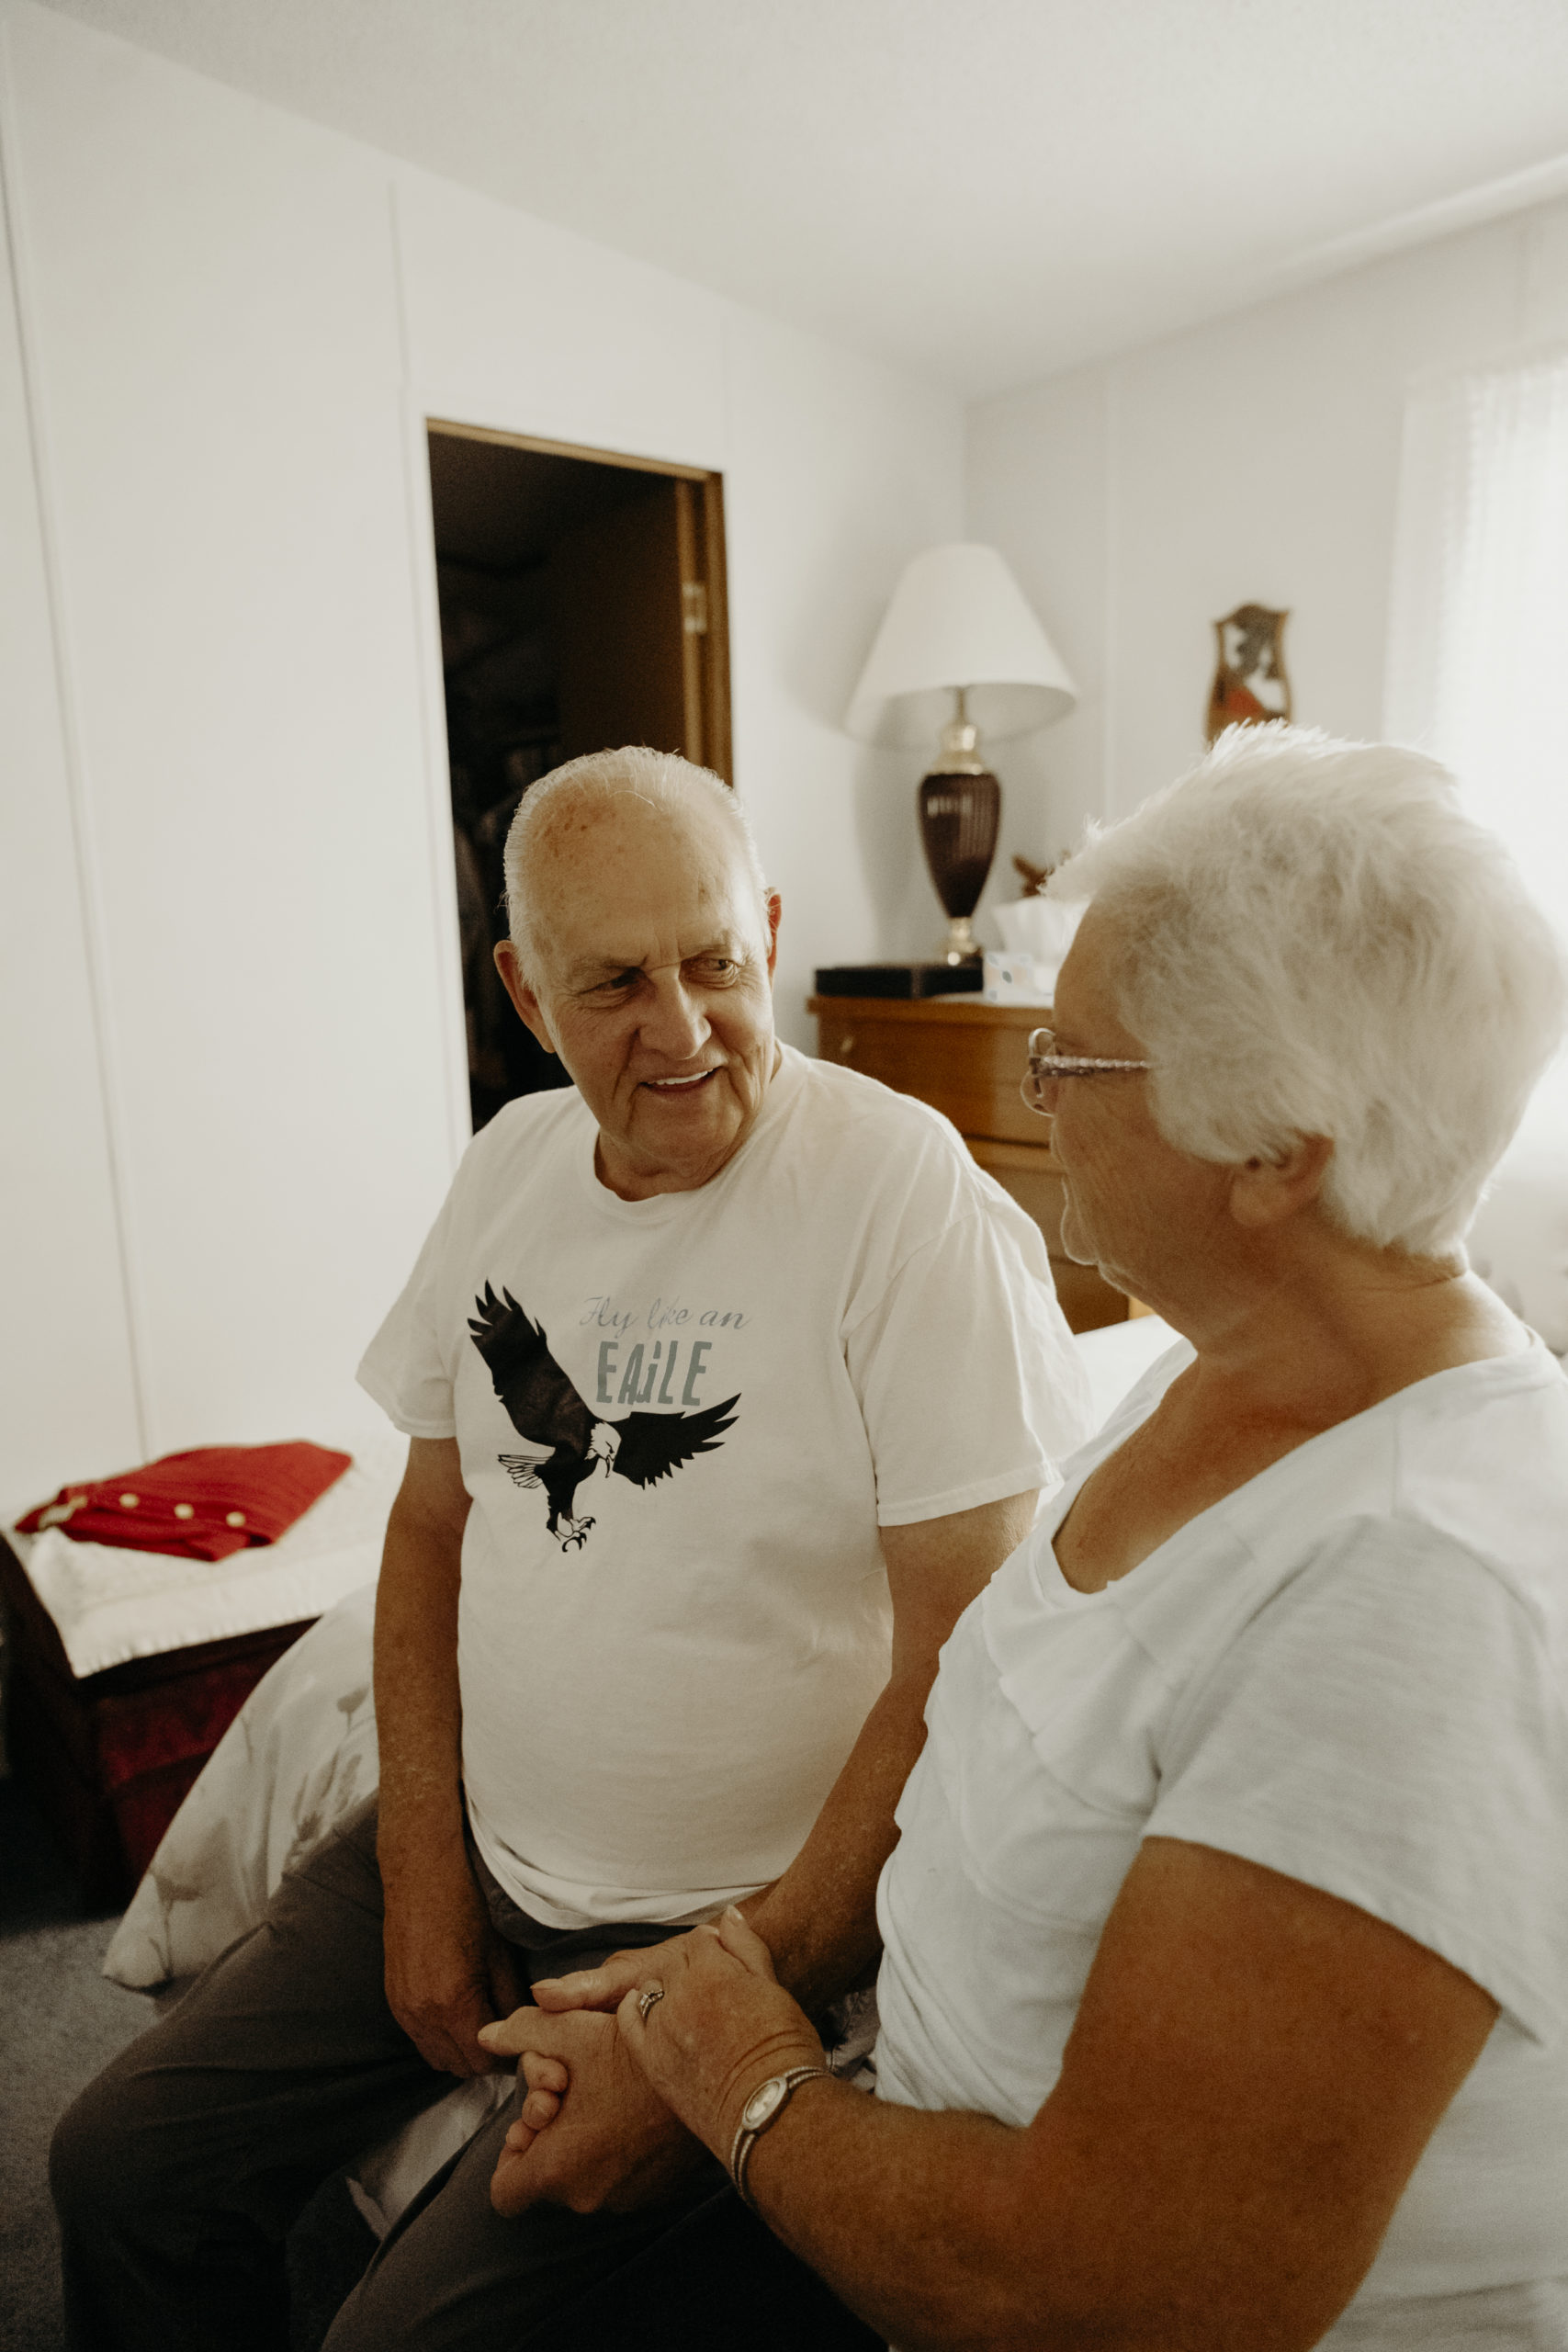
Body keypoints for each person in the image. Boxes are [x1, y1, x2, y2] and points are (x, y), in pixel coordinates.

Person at [491, 725, 1568, 2351]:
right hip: (873, 2127)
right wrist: (738, 1990)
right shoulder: (1218, 1376)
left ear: (1276, 1156)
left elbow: (1111, 2287)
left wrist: (741, 2081)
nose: (1035, 1099)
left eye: (1075, 1062)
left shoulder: (1420, 1596)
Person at [51, 748, 1090, 2351]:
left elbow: (966, 1650)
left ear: (774, 931)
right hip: (478, 1842)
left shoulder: (900, 1196)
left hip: (732, 1927)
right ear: (523, 992)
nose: (678, 1032)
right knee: (115, 2170)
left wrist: (726, 1996)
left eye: (715, 963)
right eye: (612, 983)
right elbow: (424, 1527)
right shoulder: (511, 1168)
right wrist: (417, 1872)